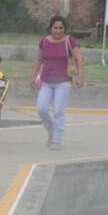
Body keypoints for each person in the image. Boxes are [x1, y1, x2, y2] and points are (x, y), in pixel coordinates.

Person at [31, 15, 85, 149]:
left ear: (65, 29)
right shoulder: (44, 41)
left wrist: (80, 76)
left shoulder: (70, 41)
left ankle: (56, 140)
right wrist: (33, 75)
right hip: (46, 81)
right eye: (55, 28)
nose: (58, 30)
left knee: (58, 111)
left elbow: (78, 60)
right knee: (41, 109)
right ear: (50, 28)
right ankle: (51, 132)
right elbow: (39, 60)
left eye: (61, 28)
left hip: (64, 81)